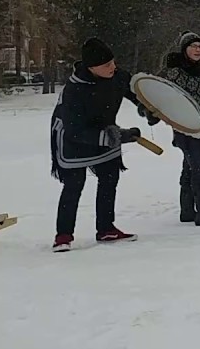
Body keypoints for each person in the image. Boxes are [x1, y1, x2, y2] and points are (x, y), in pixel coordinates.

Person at [50, 38, 157, 251]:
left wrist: (148, 109)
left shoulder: (116, 77)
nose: (113, 67)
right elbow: (75, 131)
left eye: (113, 62)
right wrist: (116, 136)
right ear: (91, 67)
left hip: (105, 130)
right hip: (73, 140)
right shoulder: (74, 90)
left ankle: (106, 228)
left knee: (109, 178)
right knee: (74, 185)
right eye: (107, 65)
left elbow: (135, 92)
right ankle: (63, 235)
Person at [157, 31, 200, 226]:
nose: (197, 50)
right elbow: (156, 93)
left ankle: (186, 210)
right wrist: (154, 113)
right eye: (193, 46)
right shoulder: (173, 71)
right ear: (185, 49)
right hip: (183, 126)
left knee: (189, 166)